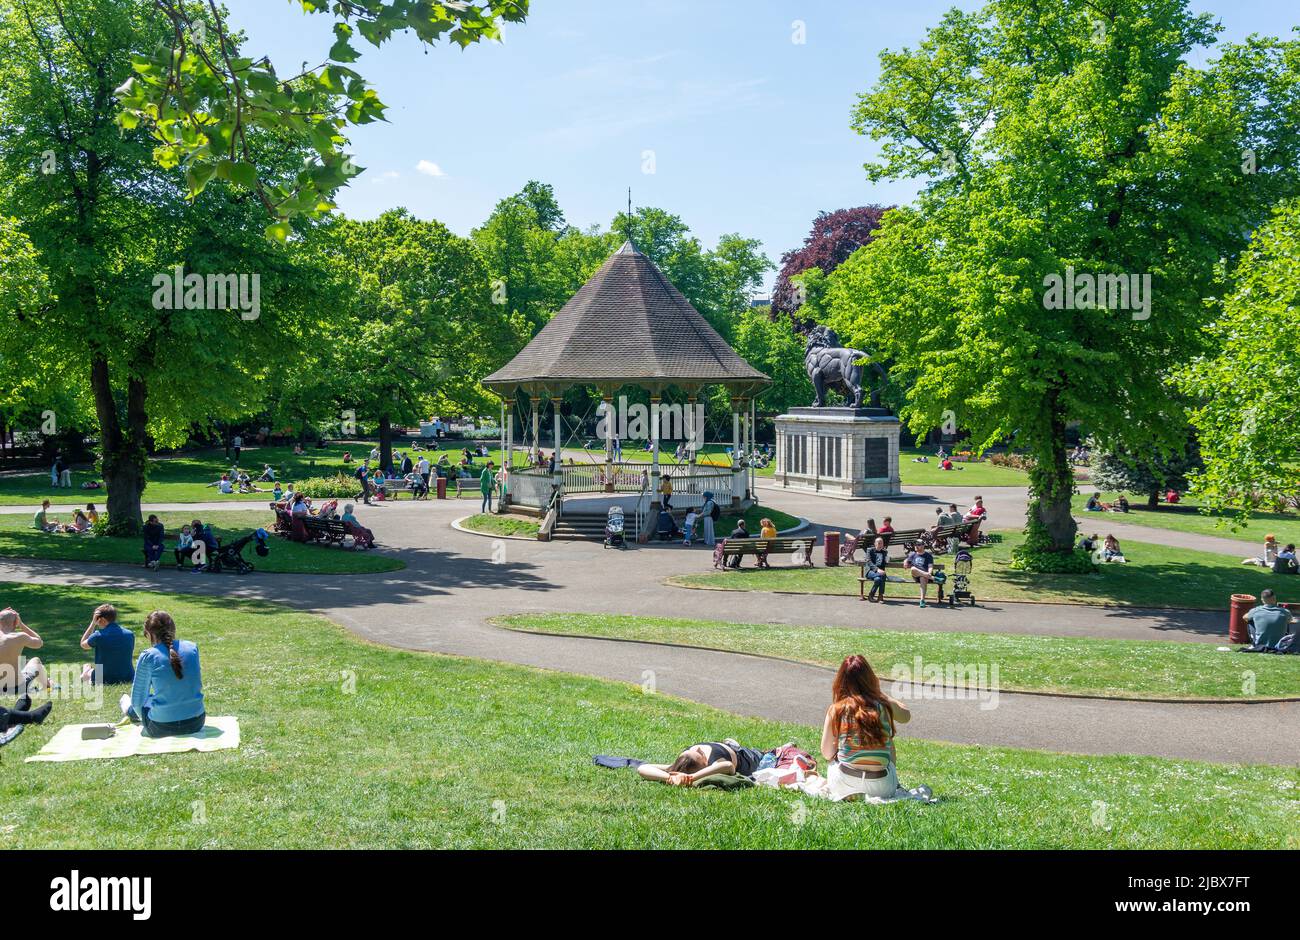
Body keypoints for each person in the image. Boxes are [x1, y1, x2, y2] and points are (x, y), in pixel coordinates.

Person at [820, 655, 911, 802]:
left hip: (844, 784)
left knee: (836, 750)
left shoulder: (836, 710)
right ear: (871, 679)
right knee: (886, 739)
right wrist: (879, 694)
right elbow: (906, 716)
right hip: (883, 787)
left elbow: (826, 753)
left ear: (841, 681)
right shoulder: (884, 706)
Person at [124, 610, 204, 738]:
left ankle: (126, 708)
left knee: (130, 703)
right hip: (196, 722)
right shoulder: (192, 647)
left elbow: (138, 701)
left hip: (160, 726)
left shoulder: (148, 656)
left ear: (149, 634)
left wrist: (144, 719)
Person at [637, 738, 765, 787]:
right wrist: (670, 778)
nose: (698, 748)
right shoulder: (715, 762)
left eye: (691, 750)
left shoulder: (686, 760)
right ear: (705, 766)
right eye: (700, 754)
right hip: (748, 757)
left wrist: (686, 777)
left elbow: (643, 767)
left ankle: (730, 743)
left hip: (728, 747)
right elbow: (728, 766)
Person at [79, 603, 135, 685]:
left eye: (97, 619)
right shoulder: (130, 634)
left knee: (86, 669)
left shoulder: (98, 635)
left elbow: (83, 645)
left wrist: (92, 624)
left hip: (102, 678)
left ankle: (85, 672)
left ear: (102, 619)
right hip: (127, 677)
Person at [0, 608, 47, 698]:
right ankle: (47, 687)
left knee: (23, 661)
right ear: (15, 623)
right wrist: (21, 625)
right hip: (17, 686)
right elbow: (39, 643)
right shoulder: (20, 637)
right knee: (35, 660)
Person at [863, 537, 889, 602]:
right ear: (875, 544)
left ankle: (871, 595)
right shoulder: (870, 550)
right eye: (879, 543)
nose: (880, 545)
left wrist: (887, 560)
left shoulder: (884, 552)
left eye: (881, 543)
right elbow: (868, 561)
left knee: (878, 579)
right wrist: (877, 569)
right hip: (870, 571)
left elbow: (884, 563)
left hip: (879, 573)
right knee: (882, 575)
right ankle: (881, 596)